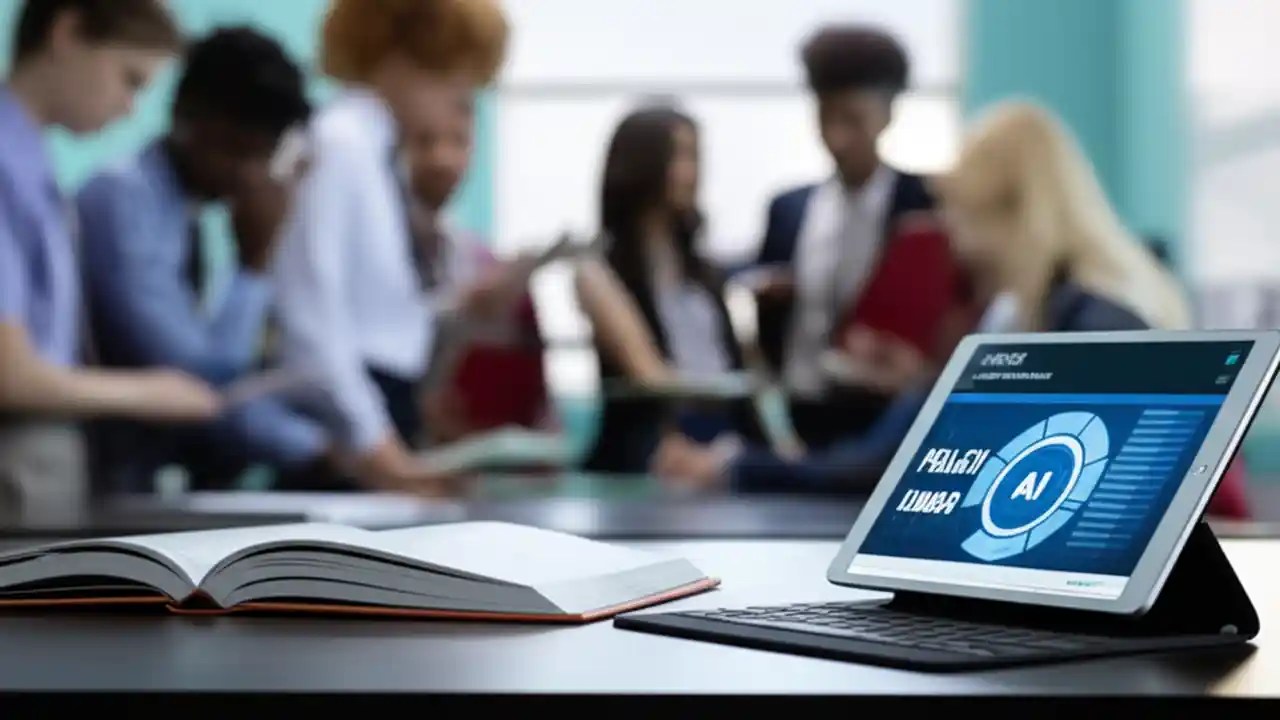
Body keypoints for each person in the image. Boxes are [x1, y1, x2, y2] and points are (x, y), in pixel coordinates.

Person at [656, 101, 1252, 520]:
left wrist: (740, 466)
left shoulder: (1092, 322)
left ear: (1017, 214)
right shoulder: (1053, 310)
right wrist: (916, 382)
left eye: (964, 218)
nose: (956, 242)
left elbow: (897, 462)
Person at [271, 0, 515, 493]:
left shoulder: (380, 155)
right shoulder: (340, 145)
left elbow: (375, 308)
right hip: (348, 424)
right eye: (454, 83)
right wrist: (377, 446)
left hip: (381, 408)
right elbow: (312, 317)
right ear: (401, 61)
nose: (459, 103)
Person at [77, 26, 332, 494]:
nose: (249, 176)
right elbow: (196, 381)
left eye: (262, 156)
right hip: (100, 484)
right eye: (236, 151)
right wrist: (254, 263)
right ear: (184, 116)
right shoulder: (123, 201)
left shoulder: (185, 210)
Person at [0, 0, 222, 515]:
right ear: (68, 32)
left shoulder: (33, 164)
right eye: (130, 79)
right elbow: (9, 372)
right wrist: (149, 393)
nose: (130, 107)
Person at [749, 25, 953, 451]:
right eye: (826, 118)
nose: (837, 138)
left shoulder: (926, 204)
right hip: (800, 413)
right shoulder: (789, 209)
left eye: (853, 119)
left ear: (888, 115)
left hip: (887, 418)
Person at [574, 105, 767, 475]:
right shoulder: (597, 272)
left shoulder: (705, 272)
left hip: (725, 434)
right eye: (679, 155)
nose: (691, 172)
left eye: (695, 156)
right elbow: (648, 375)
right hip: (652, 446)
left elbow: (737, 360)